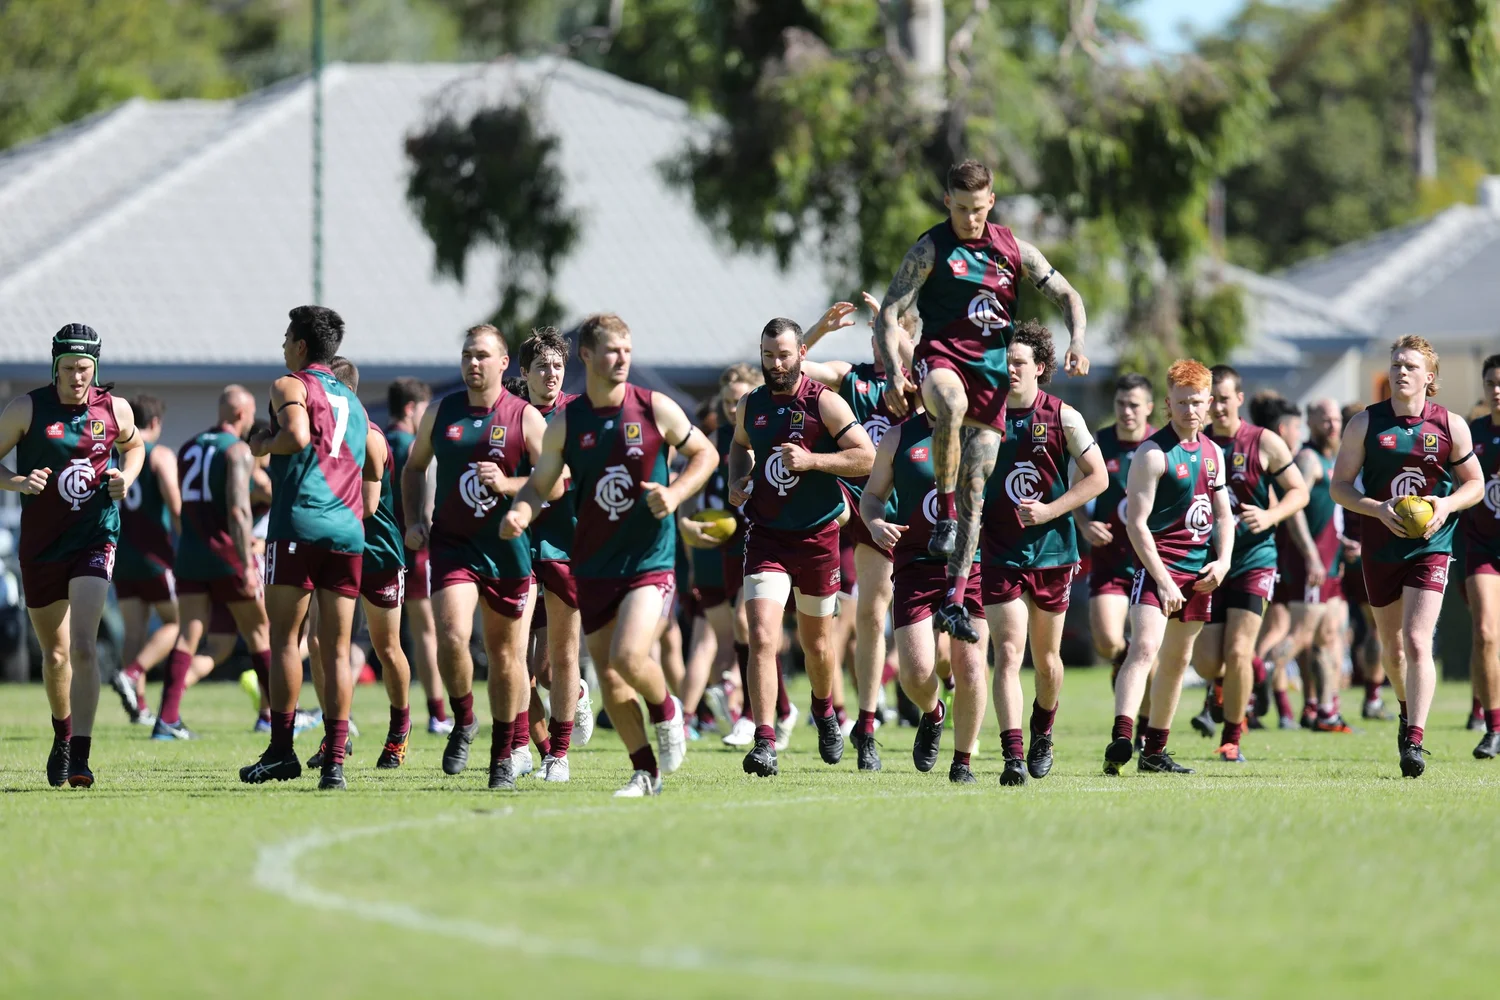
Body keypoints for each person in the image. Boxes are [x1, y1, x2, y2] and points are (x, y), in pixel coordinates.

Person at [874, 159, 1089, 644]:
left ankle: (953, 600)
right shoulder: (931, 248)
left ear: (991, 201)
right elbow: (890, 311)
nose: (971, 218)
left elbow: (1068, 295)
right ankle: (943, 518)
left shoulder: (1015, 249)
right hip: (942, 363)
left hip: (991, 380)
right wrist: (894, 371)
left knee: (978, 487)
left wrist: (1077, 340)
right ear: (947, 200)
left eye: (979, 208)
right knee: (947, 406)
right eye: (962, 207)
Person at [502, 313, 717, 797]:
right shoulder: (564, 424)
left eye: (627, 350)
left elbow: (705, 453)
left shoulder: (655, 407)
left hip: (647, 560)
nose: (621, 359)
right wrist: (521, 510)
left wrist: (677, 493)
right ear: (589, 357)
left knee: (624, 656)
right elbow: (543, 485)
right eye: (611, 351)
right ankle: (645, 772)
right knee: (611, 683)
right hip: (591, 563)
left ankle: (667, 711)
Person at [728, 317, 877, 778]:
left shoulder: (825, 402)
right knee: (763, 637)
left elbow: (866, 456)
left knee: (816, 646)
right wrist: (738, 477)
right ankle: (765, 740)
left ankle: (824, 710)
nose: (776, 364)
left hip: (816, 537)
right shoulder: (750, 405)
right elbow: (739, 446)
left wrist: (813, 460)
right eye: (769, 355)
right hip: (767, 535)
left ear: (801, 354)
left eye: (784, 355)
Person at [401, 326, 547, 790]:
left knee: (507, 657)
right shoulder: (441, 413)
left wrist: (507, 486)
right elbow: (413, 467)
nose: (473, 363)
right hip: (453, 546)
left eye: (483, 355)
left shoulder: (525, 417)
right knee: (451, 636)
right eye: (467, 355)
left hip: (508, 548)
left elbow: (557, 483)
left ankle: (503, 755)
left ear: (504, 363)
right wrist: (414, 519)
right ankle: (464, 719)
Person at [1331, 336, 1483, 778]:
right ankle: (1403, 707)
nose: (1401, 371)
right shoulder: (1364, 423)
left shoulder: (1451, 424)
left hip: (1430, 546)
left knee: (1418, 641)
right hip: (1380, 547)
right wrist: (1375, 508)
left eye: (1411, 366)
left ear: (1429, 377)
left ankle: (1414, 739)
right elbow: (1339, 486)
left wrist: (1445, 506)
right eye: (1396, 364)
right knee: (1391, 648)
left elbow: (1473, 484)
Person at [0, 324, 143, 786]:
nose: (77, 377)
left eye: (84, 368)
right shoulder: (26, 408)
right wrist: (17, 482)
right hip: (41, 546)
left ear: (95, 367)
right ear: (54, 367)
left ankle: (80, 756)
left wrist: (128, 476)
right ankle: (62, 735)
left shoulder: (114, 408)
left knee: (83, 644)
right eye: (68, 368)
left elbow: (134, 445)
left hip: (95, 536)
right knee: (55, 654)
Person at [241, 306, 375, 790]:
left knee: (285, 642)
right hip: (348, 533)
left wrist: (261, 444)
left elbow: (296, 436)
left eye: (285, 339)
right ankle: (335, 762)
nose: (282, 347)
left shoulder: (290, 385)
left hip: (299, 526)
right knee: (337, 651)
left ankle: (281, 752)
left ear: (300, 347)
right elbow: (370, 466)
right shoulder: (356, 405)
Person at [980, 323, 1107, 784]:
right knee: (1008, 651)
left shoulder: (1063, 416)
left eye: (1019, 363)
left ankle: (1043, 730)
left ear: (1039, 368)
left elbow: (1097, 477)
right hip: (998, 552)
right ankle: (1012, 754)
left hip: (1053, 553)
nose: (1010, 370)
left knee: (1047, 659)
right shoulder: (982, 417)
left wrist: (1052, 508)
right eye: (1004, 362)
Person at [797, 292, 915, 769]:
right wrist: (819, 330)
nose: (878, 342)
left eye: (886, 333)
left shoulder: (926, 386)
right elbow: (791, 369)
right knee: (869, 612)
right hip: (860, 505)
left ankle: (906, 711)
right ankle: (865, 725)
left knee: (903, 637)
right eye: (875, 333)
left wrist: (900, 337)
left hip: (911, 512)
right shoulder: (853, 379)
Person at [1104, 359, 1233, 776]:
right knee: (1143, 649)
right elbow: (1135, 523)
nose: (1190, 410)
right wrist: (1161, 580)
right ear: (1168, 403)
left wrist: (1224, 561)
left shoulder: (1214, 453)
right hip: (1158, 567)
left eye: (1197, 402)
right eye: (1181, 402)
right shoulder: (1152, 453)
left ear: (1209, 403)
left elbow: (1224, 516)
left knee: (1179, 662)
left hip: (1198, 572)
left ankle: (1155, 751)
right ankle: (1123, 736)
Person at [1188, 369, 1310, 762]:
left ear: (1239, 398)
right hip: (1205, 561)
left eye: (1225, 398)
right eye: (1212, 399)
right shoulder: (1193, 442)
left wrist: (1271, 517)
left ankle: (1231, 738)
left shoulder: (1263, 441)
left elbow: (1299, 492)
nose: (1218, 406)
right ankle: (1221, 687)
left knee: (1240, 650)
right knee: (1207, 661)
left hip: (1253, 560)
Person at [861, 407, 989, 783]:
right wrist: (875, 521)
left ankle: (962, 762)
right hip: (915, 565)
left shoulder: (980, 433)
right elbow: (871, 496)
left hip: (972, 564)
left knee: (970, 667)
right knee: (916, 674)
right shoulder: (898, 437)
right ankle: (933, 714)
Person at [163, 385, 274, 742]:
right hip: (226, 554)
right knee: (260, 633)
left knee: (188, 634)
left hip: (192, 553)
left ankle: (166, 719)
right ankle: (273, 716)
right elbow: (239, 510)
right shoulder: (238, 450)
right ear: (242, 415)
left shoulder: (189, 447)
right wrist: (245, 564)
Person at [322, 358, 414, 769]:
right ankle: (336, 737)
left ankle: (400, 729)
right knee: (325, 646)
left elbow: (369, 506)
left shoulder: (370, 437)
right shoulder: (322, 434)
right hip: (336, 551)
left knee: (387, 647)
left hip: (376, 553)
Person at [515, 329, 594, 780]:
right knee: (514, 656)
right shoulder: (508, 414)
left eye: (558, 367)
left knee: (556, 662)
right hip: (518, 545)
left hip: (567, 543)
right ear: (523, 373)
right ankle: (533, 748)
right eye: (542, 366)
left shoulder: (578, 414)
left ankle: (559, 752)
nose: (551, 374)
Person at [1077, 374, 1155, 682]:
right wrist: (1084, 524)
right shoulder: (1099, 443)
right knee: (1108, 641)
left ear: (1149, 407)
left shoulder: (1161, 445)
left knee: (1149, 649)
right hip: (1110, 561)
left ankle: (1148, 725)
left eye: (1134, 405)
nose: (1127, 411)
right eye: (1121, 404)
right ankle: (1122, 661)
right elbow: (1072, 491)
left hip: (1152, 564)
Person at [706, 365, 768, 747]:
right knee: (747, 630)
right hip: (729, 544)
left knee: (751, 626)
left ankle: (751, 715)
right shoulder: (716, 440)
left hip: (768, 539)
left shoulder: (765, 432)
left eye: (739, 401)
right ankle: (777, 710)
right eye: (728, 401)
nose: (733, 409)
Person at [109, 394, 180, 727]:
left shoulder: (113, 456)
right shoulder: (159, 455)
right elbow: (176, 507)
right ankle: (132, 674)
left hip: (121, 557)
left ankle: (138, 706)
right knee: (178, 623)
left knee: (134, 634)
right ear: (155, 423)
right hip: (155, 556)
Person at [385, 376, 450, 735]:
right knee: (426, 632)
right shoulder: (414, 448)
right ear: (411, 408)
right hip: (412, 548)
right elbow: (425, 506)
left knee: (365, 640)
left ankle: (341, 716)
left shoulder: (374, 440)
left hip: (377, 547)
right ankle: (438, 713)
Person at [1463, 354, 1500, 759]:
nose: (1497, 390)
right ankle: (1493, 727)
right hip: (1482, 547)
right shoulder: (1471, 434)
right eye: (1491, 382)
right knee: (1486, 633)